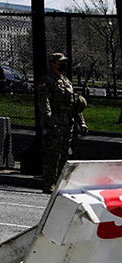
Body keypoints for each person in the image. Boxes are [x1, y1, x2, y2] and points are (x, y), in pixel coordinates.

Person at [40, 52, 85, 193]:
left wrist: (81, 122)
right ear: (53, 63)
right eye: (61, 61)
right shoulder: (47, 80)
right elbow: (44, 101)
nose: (64, 64)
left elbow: (74, 103)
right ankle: (49, 184)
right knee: (53, 154)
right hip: (55, 123)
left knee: (65, 155)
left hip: (67, 124)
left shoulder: (66, 81)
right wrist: (48, 119)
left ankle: (60, 183)